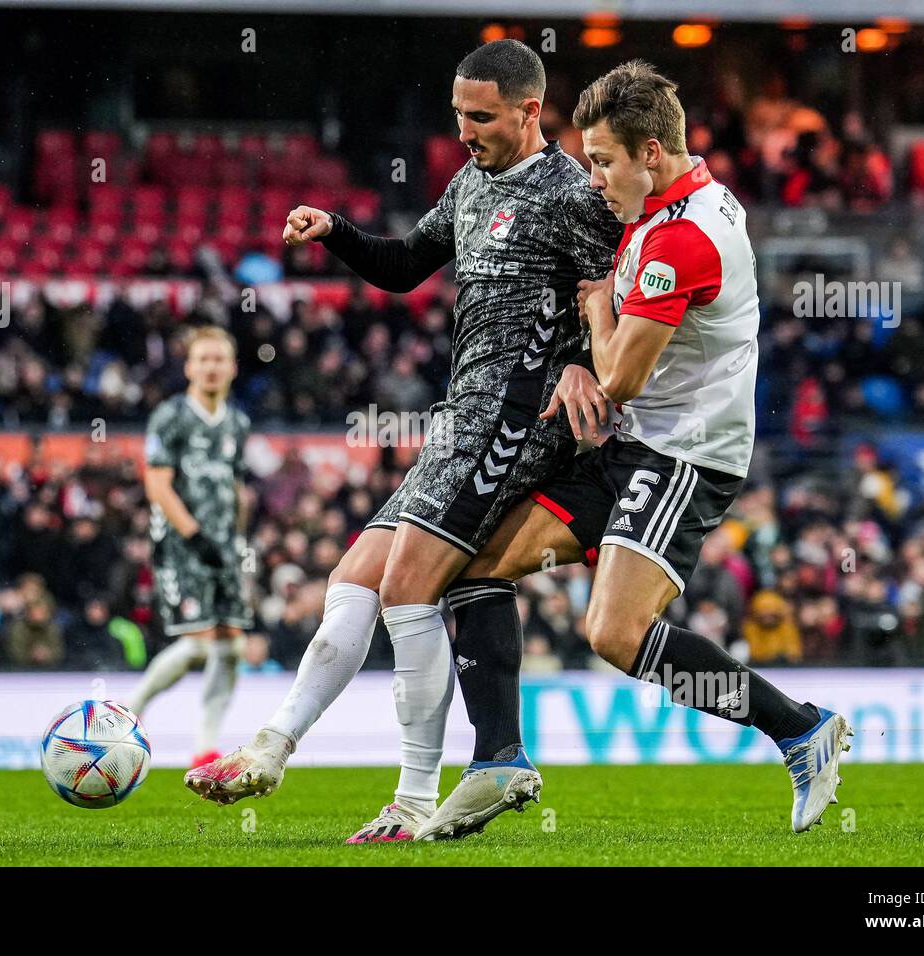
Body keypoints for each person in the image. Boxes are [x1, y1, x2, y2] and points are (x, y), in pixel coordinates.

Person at [186, 38, 620, 843]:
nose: (463, 129)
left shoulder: (571, 193)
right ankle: (272, 749)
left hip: (519, 420)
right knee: (353, 580)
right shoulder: (470, 182)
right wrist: (335, 231)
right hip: (462, 417)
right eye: (457, 113)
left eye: (481, 115)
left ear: (531, 111)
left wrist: (582, 365)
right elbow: (404, 267)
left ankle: (415, 800)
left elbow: (613, 300)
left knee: (407, 589)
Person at [415, 61, 851, 840]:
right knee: (479, 566)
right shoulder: (681, 202)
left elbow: (617, 377)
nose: (593, 179)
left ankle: (798, 728)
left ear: (651, 153)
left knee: (614, 634)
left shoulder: (680, 241)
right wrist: (586, 346)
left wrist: (592, 313)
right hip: (637, 444)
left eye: (604, 161)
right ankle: (499, 758)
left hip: (686, 457)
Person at [125, 326, 252, 768]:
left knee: (231, 645)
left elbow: (235, 487)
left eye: (220, 359)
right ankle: (130, 711)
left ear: (233, 367)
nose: (212, 366)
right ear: (189, 367)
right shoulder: (171, 416)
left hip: (224, 546)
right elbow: (157, 485)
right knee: (198, 644)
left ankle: (205, 747)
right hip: (181, 546)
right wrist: (195, 537)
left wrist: (236, 540)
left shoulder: (238, 422)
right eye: (204, 359)